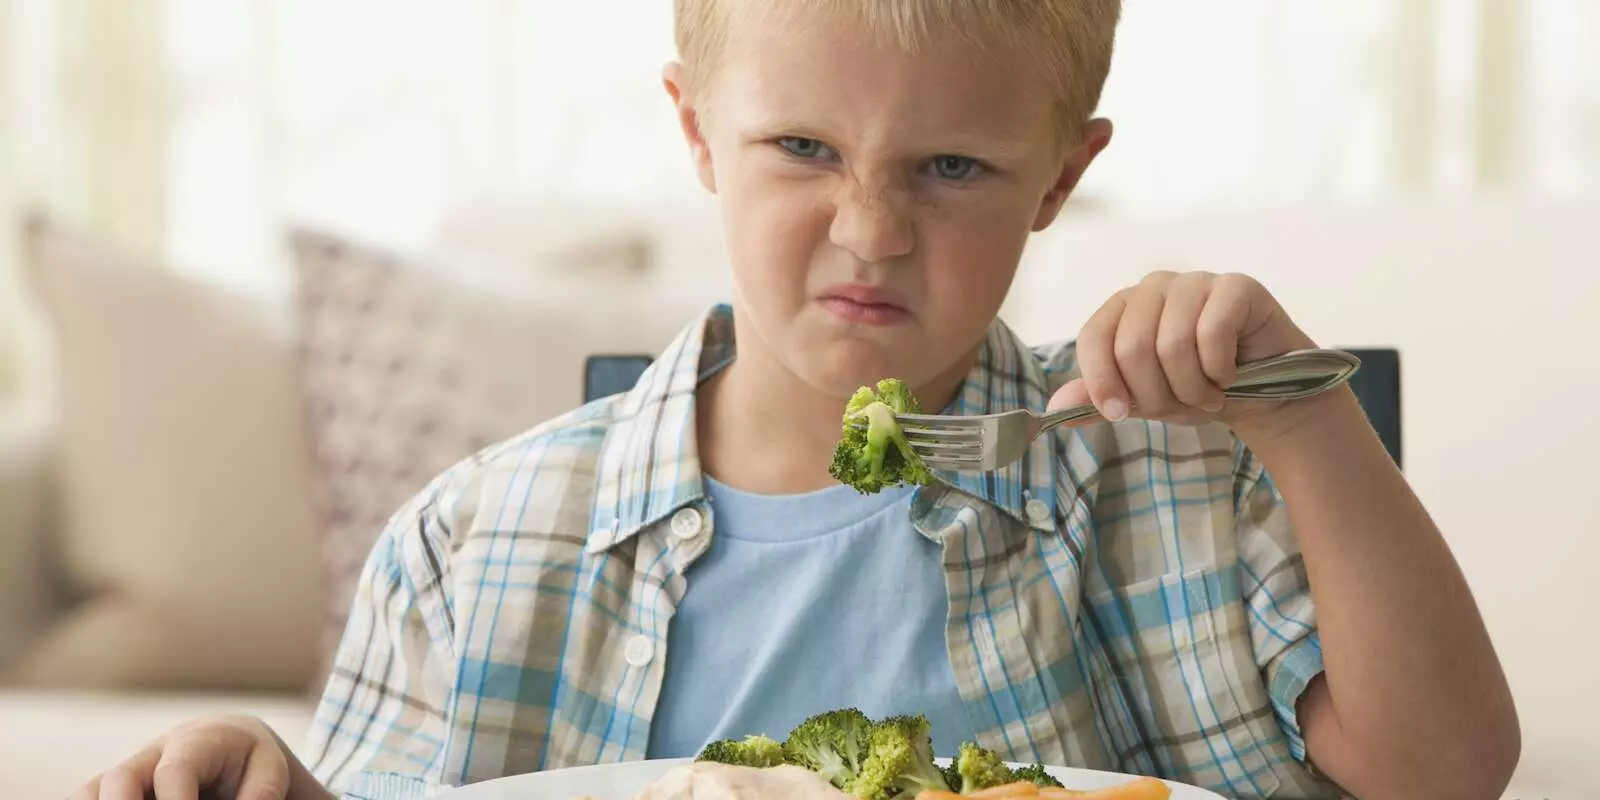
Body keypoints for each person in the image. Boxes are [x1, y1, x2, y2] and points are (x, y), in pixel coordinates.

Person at [76, 1, 1520, 799]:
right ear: (700, 134)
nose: (872, 227)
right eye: (804, 147)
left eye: (951, 167)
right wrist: (272, 781)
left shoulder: (1169, 488)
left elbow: (1446, 777)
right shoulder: (476, 547)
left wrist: (1299, 413)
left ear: (1063, 180)